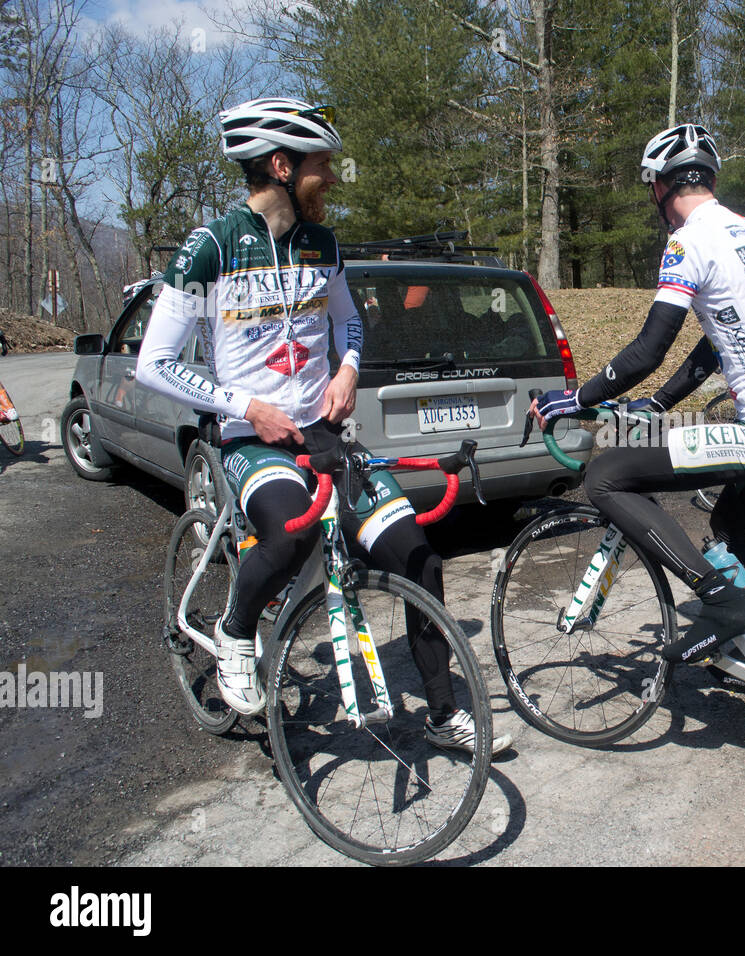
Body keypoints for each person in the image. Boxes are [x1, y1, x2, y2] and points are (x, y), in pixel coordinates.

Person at [136, 97, 510, 754]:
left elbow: (350, 322)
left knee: (419, 559)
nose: (332, 178)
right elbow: (153, 363)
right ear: (281, 167)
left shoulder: (321, 245)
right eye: (321, 165)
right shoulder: (211, 248)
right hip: (254, 438)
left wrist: (349, 369)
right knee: (287, 537)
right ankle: (234, 632)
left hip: (325, 436)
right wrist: (245, 406)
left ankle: (444, 713)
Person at [530, 123, 745, 664]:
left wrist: (575, 400)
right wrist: (660, 405)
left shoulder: (688, 240)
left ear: (659, 186)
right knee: (728, 525)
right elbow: (714, 346)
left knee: (605, 476)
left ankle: (722, 601)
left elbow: (649, 349)